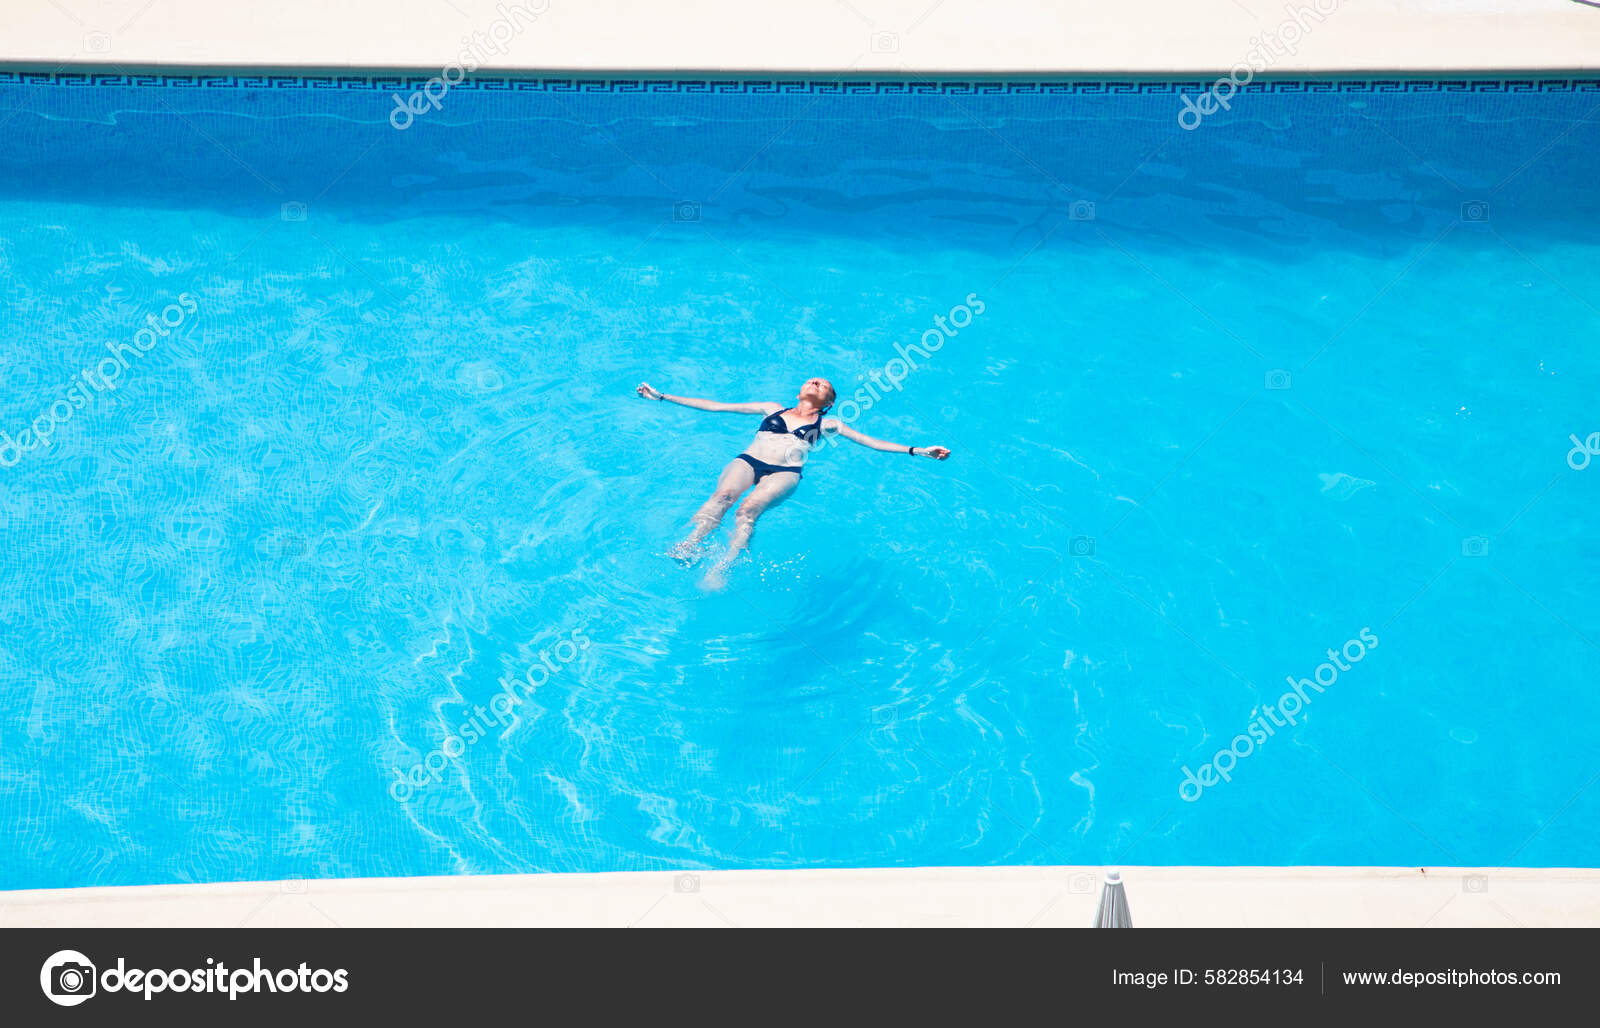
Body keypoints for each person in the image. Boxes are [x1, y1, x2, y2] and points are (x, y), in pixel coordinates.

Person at [636, 376, 952, 588]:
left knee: (746, 511)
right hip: (749, 460)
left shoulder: (829, 424)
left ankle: (722, 568)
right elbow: (716, 405)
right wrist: (662, 397)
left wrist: (920, 451)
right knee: (722, 497)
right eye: (812, 380)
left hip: (785, 473)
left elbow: (873, 443)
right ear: (799, 392)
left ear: (828, 402)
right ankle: (690, 544)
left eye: (824, 385)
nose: (816, 382)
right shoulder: (772, 408)